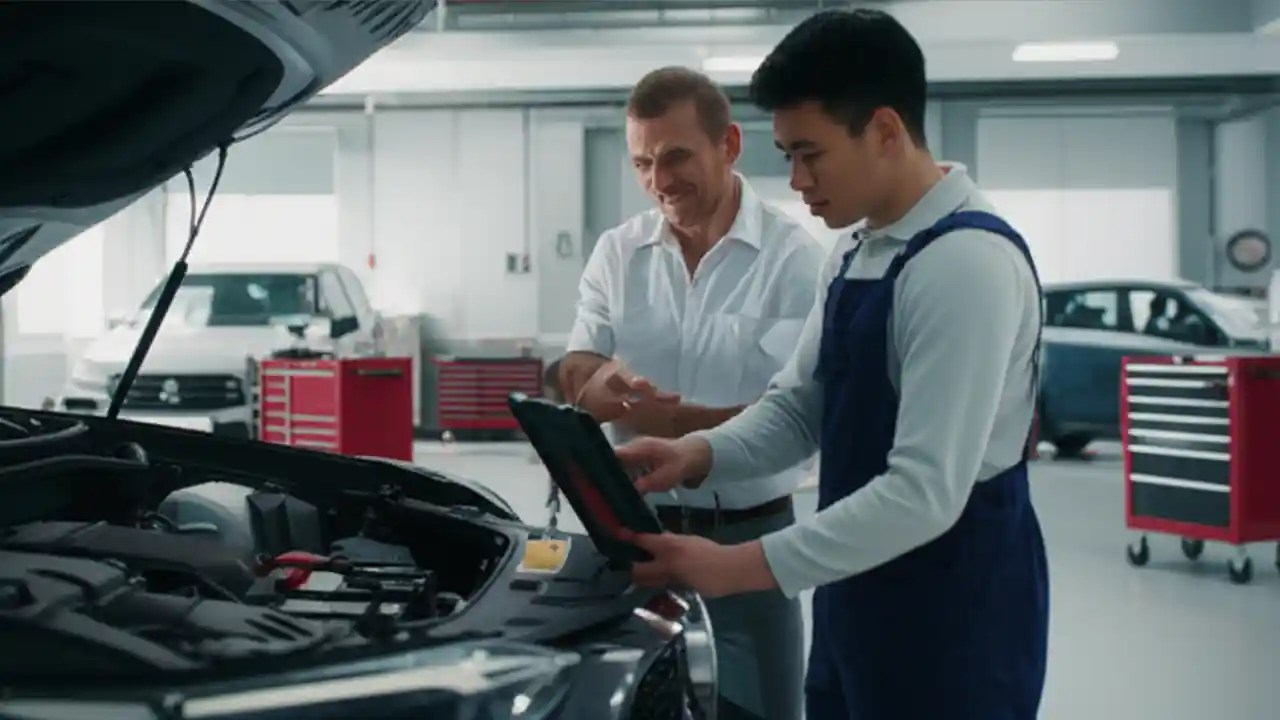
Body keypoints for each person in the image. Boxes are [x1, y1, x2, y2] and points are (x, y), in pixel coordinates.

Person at [612, 10, 1050, 720]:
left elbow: (922, 492)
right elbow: (799, 406)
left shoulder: (965, 264)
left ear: (884, 130)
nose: (796, 179)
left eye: (809, 154)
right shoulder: (856, 250)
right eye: (787, 155)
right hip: (854, 584)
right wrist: (692, 455)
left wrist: (732, 567)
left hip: (955, 611)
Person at [559, 66, 823, 720]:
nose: (659, 181)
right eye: (642, 163)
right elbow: (573, 371)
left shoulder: (797, 259)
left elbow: (797, 413)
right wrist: (603, 386)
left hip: (748, 542)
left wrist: (683, 427)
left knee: (762, 712)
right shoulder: (617, 253)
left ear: (729, 144)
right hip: (631, 538)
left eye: (676, 156)